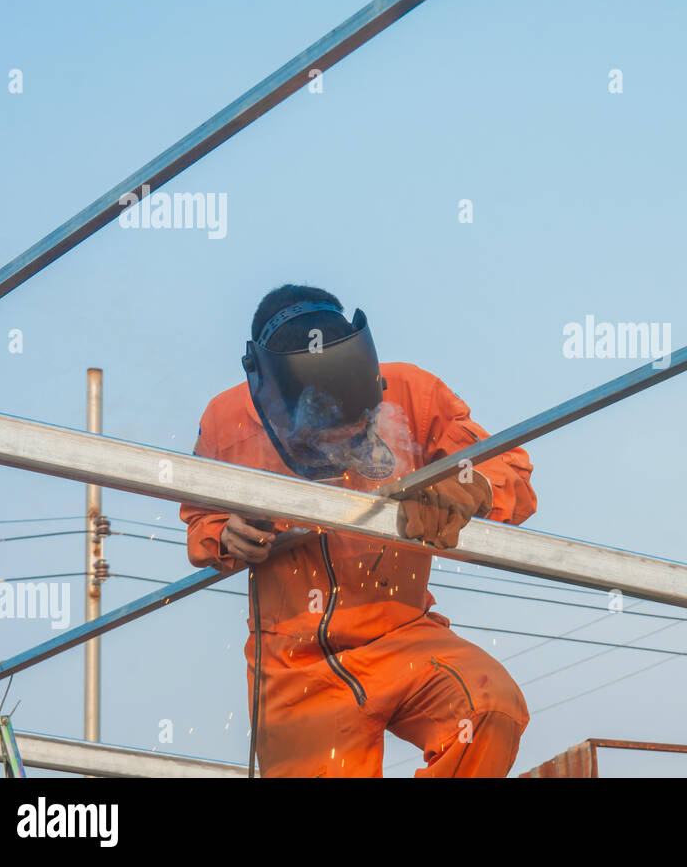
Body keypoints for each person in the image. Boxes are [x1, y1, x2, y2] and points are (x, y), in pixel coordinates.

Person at [179, 284, 537, 777]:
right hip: (293, 669)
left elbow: (508, 471)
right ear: (268, 390)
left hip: (403, 634)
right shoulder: (225, 422)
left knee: (489, 707)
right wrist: (224, 535)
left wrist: (465, 486)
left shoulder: (413, 392)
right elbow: (200, 517)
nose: (343, 440)